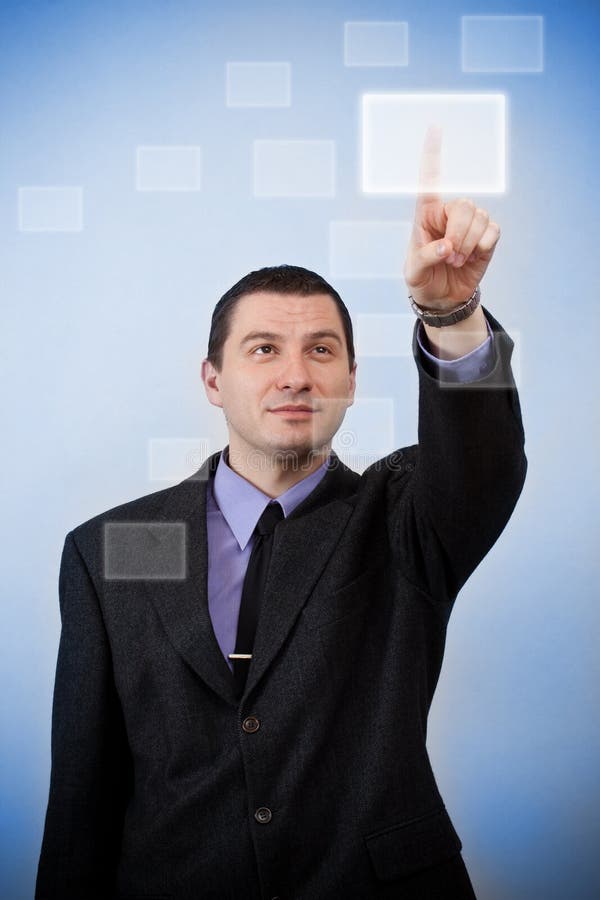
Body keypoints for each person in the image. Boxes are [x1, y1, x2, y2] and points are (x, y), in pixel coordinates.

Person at [35, 129, 526, 899]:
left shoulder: (401, 522)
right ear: (212, 379)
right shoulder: (119, 548)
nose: (296, 375)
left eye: (322, 351)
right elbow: (83, 794)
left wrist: (452, 312)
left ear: (354, 379)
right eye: (264, 349)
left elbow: (485, 466)